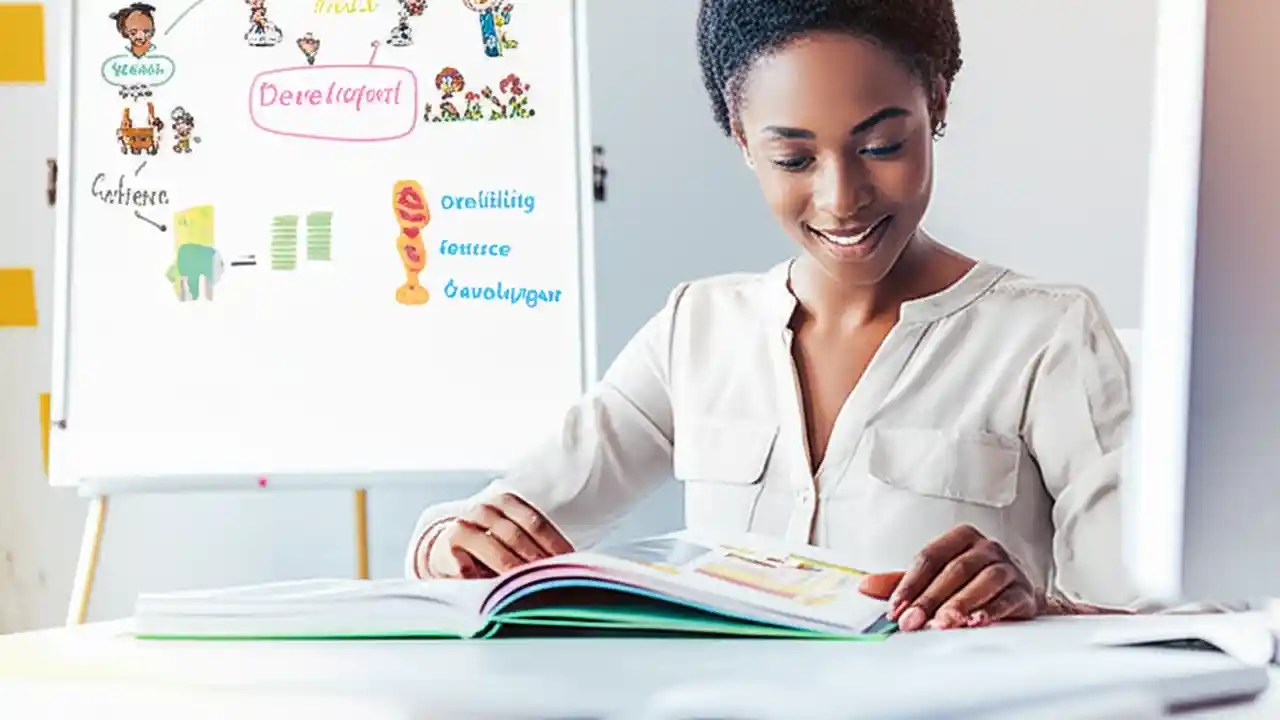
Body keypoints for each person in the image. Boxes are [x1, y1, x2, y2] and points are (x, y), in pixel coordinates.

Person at [405, 0, 1143, 632]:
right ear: (740, 139)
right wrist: (450, 545)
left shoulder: (1047, 337)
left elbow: (1154, 615)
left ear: (937, 103)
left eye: (882, 146)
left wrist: (1036, 608)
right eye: (793, 158)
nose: (842, 198)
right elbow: (503, 518)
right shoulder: (697, 331)